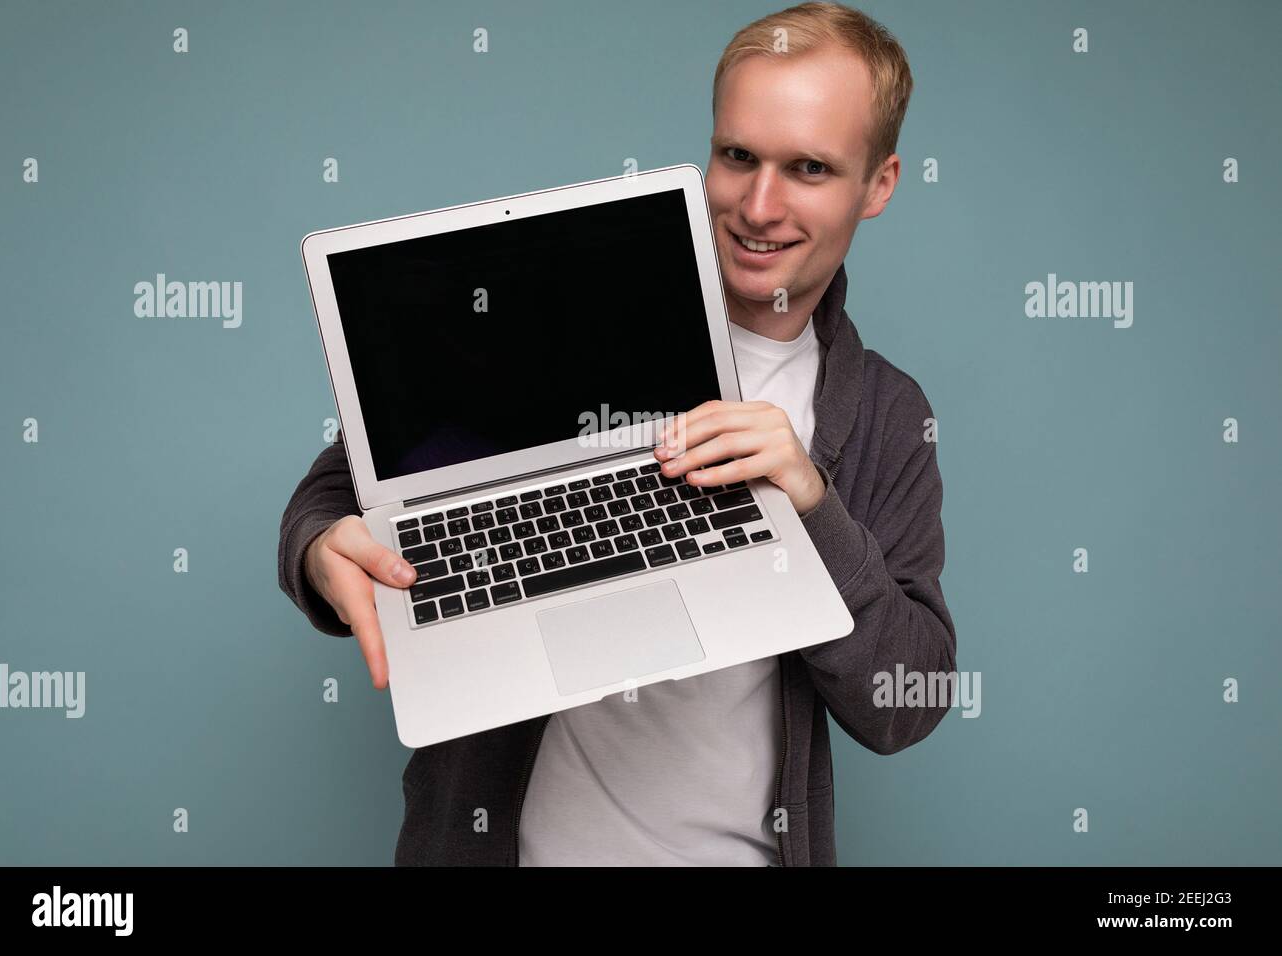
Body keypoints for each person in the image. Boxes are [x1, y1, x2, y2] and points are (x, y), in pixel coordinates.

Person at [278, 1, 957, 866]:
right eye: (738, 156)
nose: (759, 205)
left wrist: (812, 510)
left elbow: (910, 699)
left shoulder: (889, 416)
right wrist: (316, 546)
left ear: (880, 185)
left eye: (810, 168)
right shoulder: (556, 323)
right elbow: (348, 484)